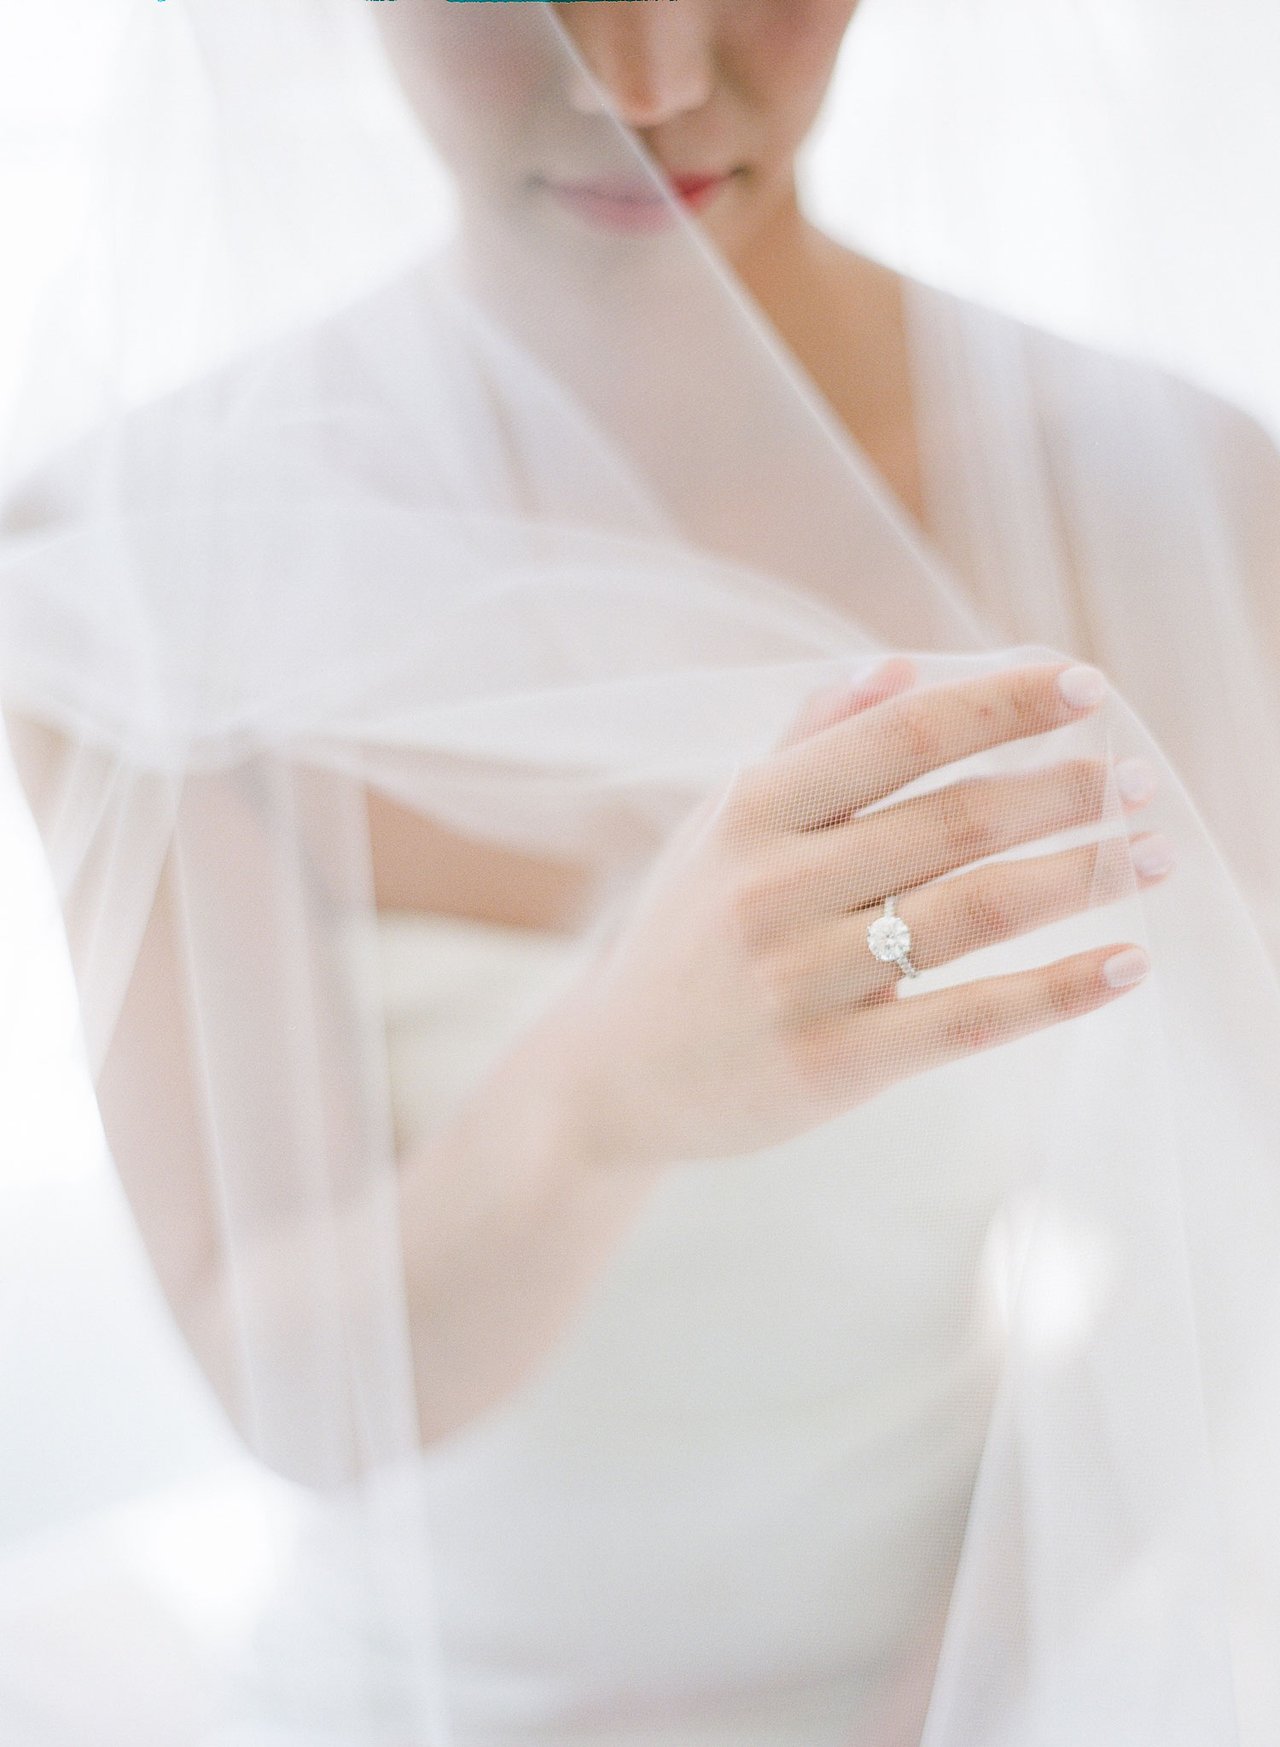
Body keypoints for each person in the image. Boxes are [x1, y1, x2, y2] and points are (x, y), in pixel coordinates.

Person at [1, 3, 1278, 1744]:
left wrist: (961, 1689)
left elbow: (1236, 1244)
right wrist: (614, 1083)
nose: (653, 84)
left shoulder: (1163, 490)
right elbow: (293, 1387)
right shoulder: (124, 562)